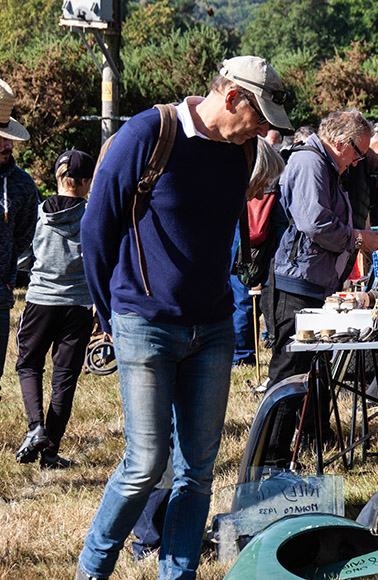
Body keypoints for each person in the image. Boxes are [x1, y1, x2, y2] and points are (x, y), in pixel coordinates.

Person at [77, 55, 291, 580]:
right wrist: (115, 317)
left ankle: (180, 575)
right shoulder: (148, 132)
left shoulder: (242, 155)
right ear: (232, 97)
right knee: (145, 464)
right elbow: (95, 231)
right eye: (259, 118)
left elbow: (225, 238)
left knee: (196, 473)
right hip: (143, 326)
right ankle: (92, 568)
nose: (263, 131)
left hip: (212, 331)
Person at [268, 109, 378, 397]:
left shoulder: (325, 165)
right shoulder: (310, 162)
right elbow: (316, 225)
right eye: (357, 154)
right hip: (298, 282)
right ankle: (274, 442)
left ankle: (312, 434)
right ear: (342, 143)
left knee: (312, 368)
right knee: (291, 370)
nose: (357, 163)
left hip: (312, 278)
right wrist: (358, 238)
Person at [14, 150, 94, 469]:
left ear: (58, 178)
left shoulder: (38, 212)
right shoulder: (92, 215)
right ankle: (50, 453)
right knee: (65, 377)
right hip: (78, 305)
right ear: (86, 182)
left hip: (40, 302)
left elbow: (23, 256)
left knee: (29, 365)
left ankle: (35, 428)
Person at [230, 136, 287, 367]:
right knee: (245, 301)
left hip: (252, 242)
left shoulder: (260, 170)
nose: (261, 193)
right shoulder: (264, 173)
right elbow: (257, 227)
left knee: (245, 301)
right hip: (252, 244)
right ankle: (242, 355)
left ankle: (242, 353)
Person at [0, 79, 38, 380]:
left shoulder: (22, 185)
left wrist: (6, 280)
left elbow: (24, 236)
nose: (9, 145)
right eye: (1, 137)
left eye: (8, 136)